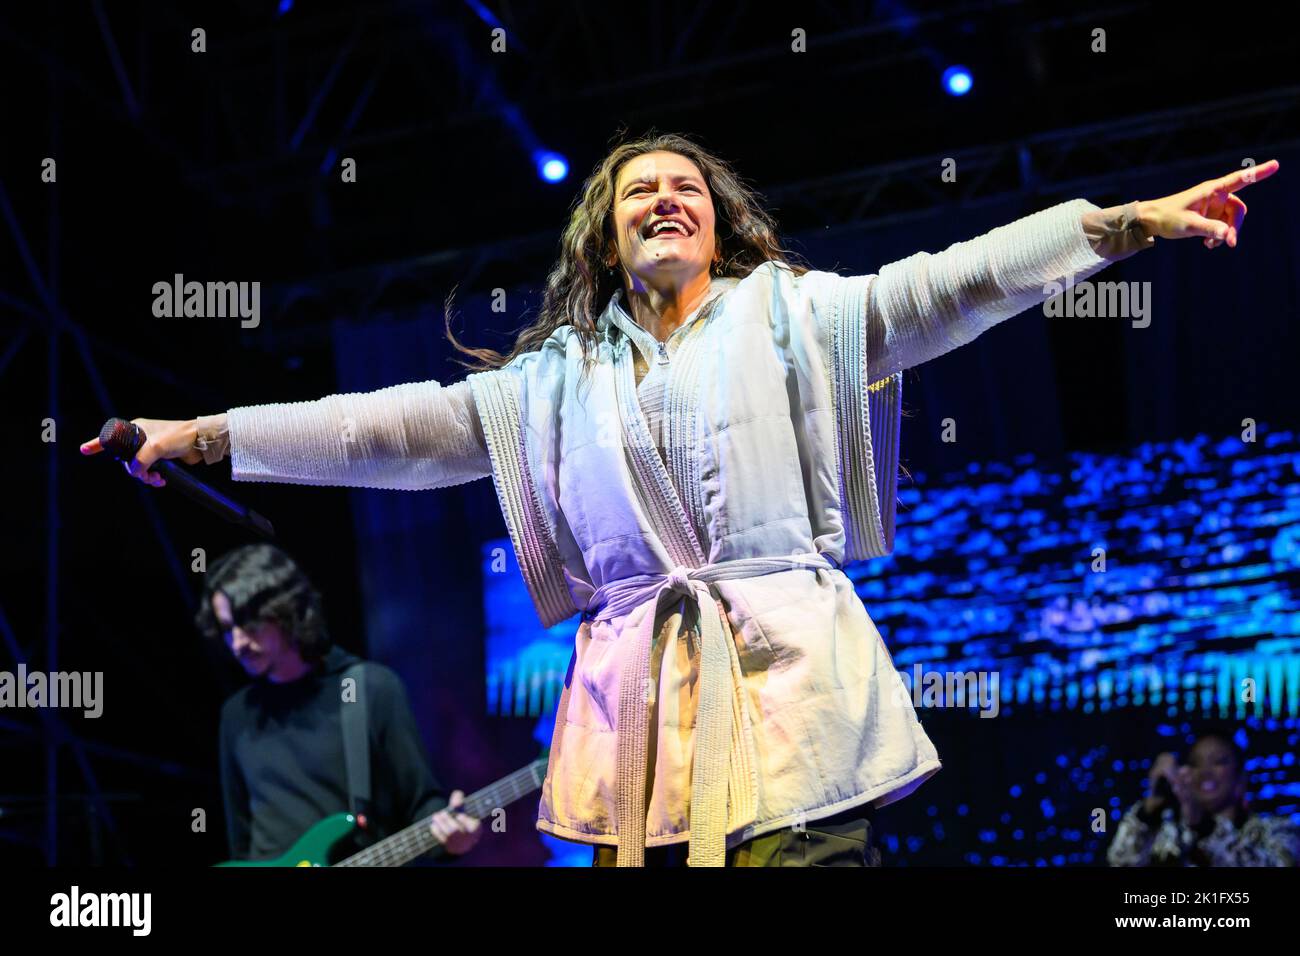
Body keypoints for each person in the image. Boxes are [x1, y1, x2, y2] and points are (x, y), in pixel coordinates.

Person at [83, 132, 1278, 867]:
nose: (663, 197)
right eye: (636, 190)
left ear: (717, 221)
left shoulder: (795, 313)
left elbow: (951, 284)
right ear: (605, 238)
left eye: (685, 186)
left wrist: (1120, 225)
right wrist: (207, 434)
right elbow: (385, 427)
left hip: (789, 690)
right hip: (636, 720)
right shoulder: (552, 379)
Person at [194, 543, 482, 864]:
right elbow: (240, 842)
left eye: (249, 624)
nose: (237, 643)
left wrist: (451, 836)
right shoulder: (236, 715)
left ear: (286, 610)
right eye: (227, 628)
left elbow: (420, 804)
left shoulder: (370, 688)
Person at [1106, 731, 1298, 867]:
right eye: (1195, 763)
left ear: (1241, 778)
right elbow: (1120, 863)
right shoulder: (1168, 838)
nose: (1205, 772)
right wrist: (1150, 811)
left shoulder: (1277, 832)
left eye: (1218, 762)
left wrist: (1204, 825)